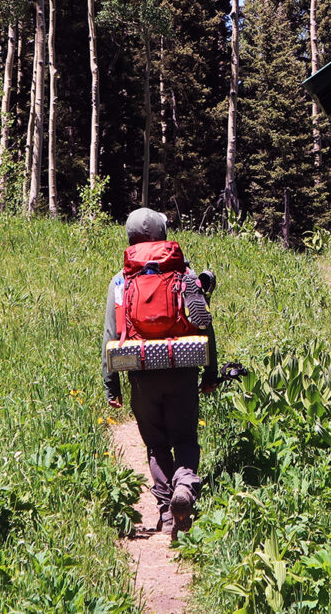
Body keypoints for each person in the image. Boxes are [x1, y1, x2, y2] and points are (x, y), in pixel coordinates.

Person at [103, 208, 218, 540]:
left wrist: (112, 386)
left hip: (140, 372)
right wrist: (209, 372)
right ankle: (186, 484)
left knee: (156, 445)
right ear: (163, 235)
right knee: (184, 438)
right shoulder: (184, 272)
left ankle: (168, 514)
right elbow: (205, 328)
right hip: (181, 367)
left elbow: (111, 335)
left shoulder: (121, 281)